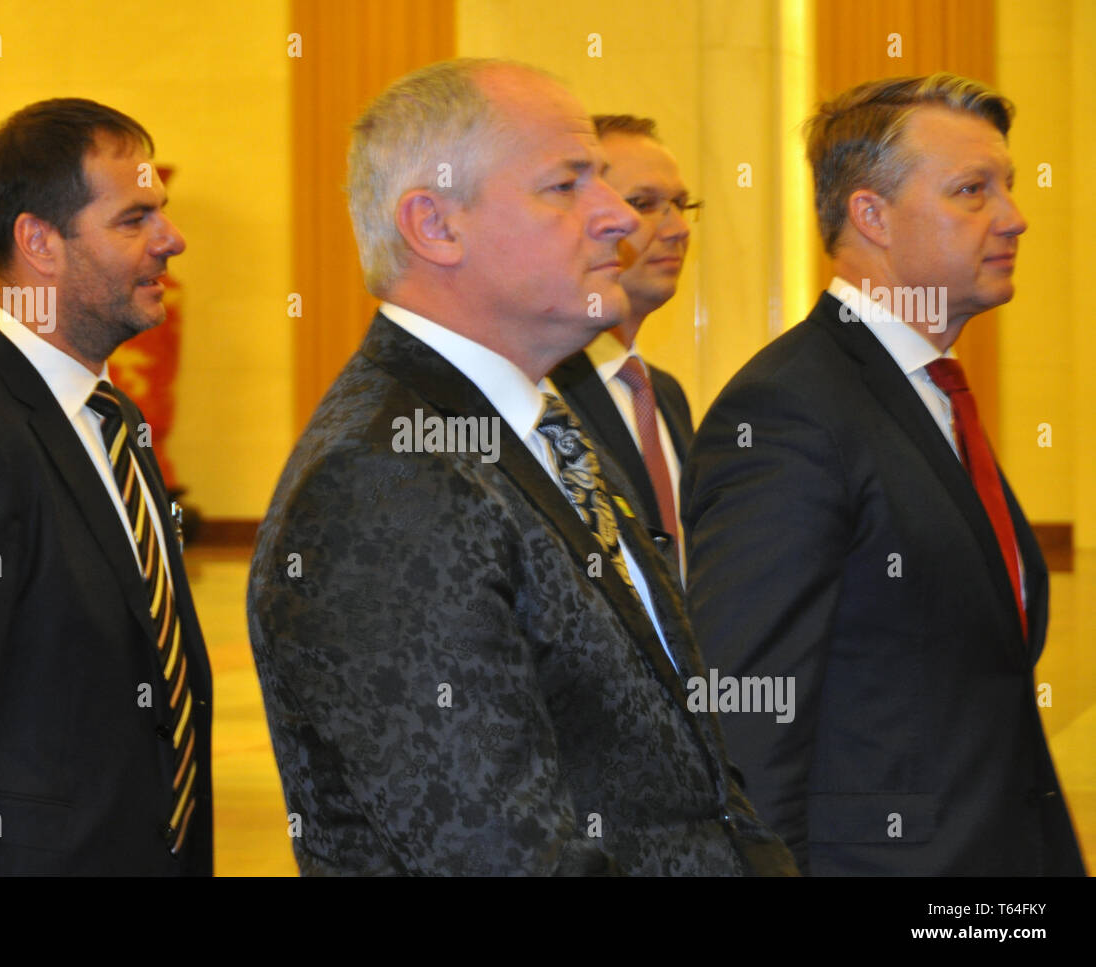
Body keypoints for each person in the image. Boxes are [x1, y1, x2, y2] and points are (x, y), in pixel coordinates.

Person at [247, 59, 795, 876]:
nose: (619, 220)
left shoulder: (543, 420)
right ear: (435, 226)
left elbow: (684, 757)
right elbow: (500, 855)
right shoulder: (384, 481)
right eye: (566, 185)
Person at [681, 73, 1085, 875]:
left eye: (1005, 185)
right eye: (973, 190)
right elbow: (747, 717)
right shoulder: (790, 409)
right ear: (871, 215)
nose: (1014, 216)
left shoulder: (930, 392)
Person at [0, 98, 213, 875]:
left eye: (163, 212)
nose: (171, 239)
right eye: (135, 219)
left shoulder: (113, 415)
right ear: (39, 243)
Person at [550, 115, 697, 580]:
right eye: (644, 203)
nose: (677, 229)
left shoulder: (664, 394)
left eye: (681, 203)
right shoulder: (543, 391)